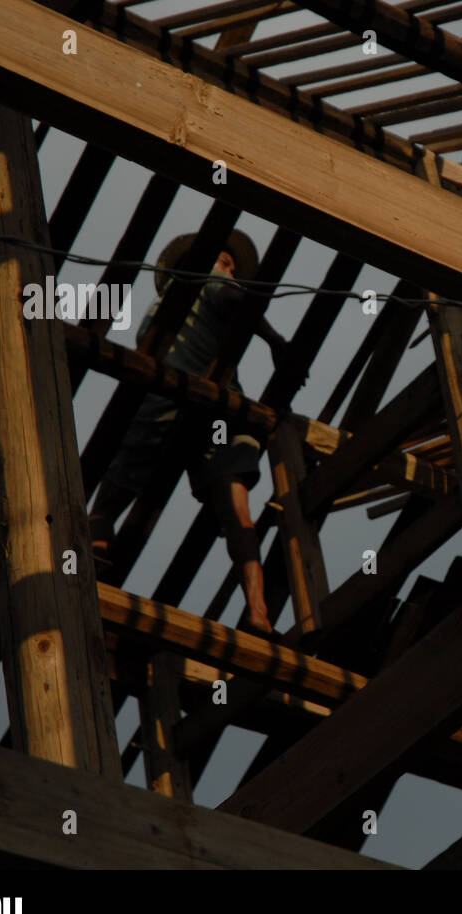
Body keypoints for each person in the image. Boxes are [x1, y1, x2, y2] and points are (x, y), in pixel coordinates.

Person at [88, 230, 287, 636]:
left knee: (114, 496)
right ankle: (258, 610)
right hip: (202, 407)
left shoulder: (164, 307)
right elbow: (234, 302)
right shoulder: (202, 286)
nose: (226, 271)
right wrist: (274, 340)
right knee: (234, 511)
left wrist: (269, 338)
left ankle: (92, 554)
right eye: (221, 261)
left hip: (186, 403)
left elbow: (230, 304)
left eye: (231, 266)